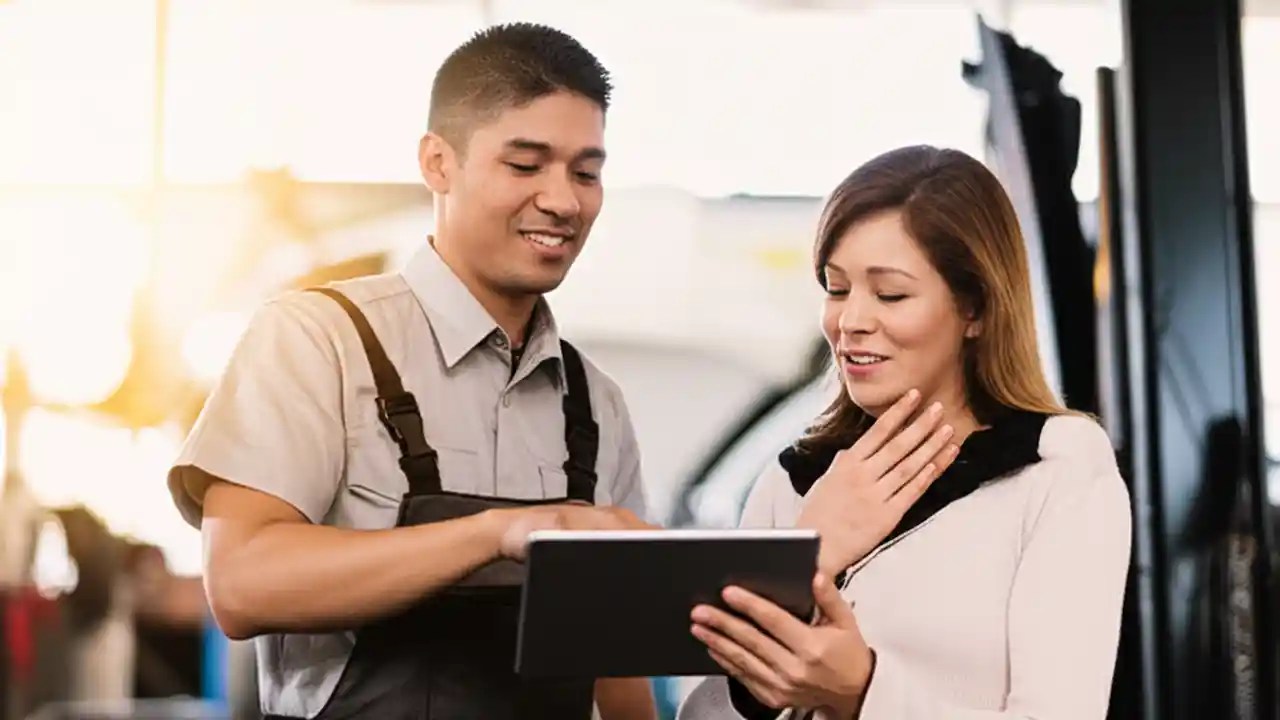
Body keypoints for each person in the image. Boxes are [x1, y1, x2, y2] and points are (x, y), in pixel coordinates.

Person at [167, 22, 658, 720]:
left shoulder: (596, 405)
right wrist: (497, 535)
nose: (564, 200)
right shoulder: (318, 342)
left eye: (586, 172)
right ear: (438, 163)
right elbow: (243, 585)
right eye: (526, 165)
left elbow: (616, 668)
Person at [677, 146, 1131, 720]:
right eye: (837, 288)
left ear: (976, 308)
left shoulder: (1056, 469)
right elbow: (703, 712)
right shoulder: (793, 481)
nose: (851, 321)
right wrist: (802, 558)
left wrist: (863, 691)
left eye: (889, 293)